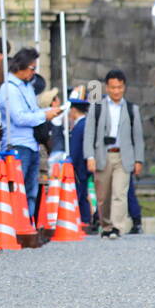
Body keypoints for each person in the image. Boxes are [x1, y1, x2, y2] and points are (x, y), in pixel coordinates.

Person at [0, 47, 61, 218]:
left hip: (31, 143)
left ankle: (29, 223)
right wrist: (44, 115)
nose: (33, 72)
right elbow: (19, 118)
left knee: (31, 190)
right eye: (32, 68)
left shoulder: (27, 87)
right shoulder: (9, 88)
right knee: (17, 189)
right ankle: (17, 225)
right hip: (17, 143)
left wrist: (46, 113)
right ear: (21, 67)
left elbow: (32, 111)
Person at [83, 69, 144, 239]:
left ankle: (117, 226)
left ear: (124, 87)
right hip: (103, 154)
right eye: (113, 87)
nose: (116, 91)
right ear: (107, 88)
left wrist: (139, 159)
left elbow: (137, 137)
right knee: (103, 196)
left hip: (123, 156)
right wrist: (90, 156)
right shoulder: (97, 107)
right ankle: (106, 224)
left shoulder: (132, 109)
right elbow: (89, 134)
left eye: (119, 87)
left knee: (120, 192)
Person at [67, 94, 93, 230]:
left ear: (74, 110)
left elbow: (76, 149)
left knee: (80, 193)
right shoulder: (84, 124)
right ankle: (86, 220)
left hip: (79, 167)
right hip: (82, 166)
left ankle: (84, 220)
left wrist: (72, 165)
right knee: (83, 194)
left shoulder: (80, 126)